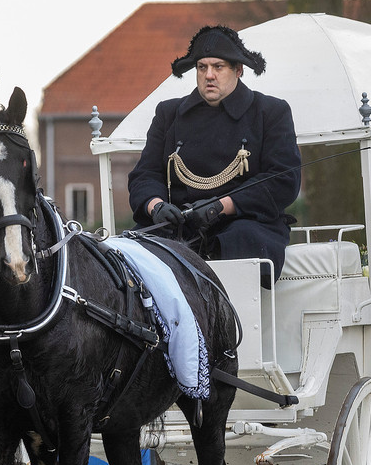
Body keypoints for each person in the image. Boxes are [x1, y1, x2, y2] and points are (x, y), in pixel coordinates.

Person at [128, 24, 303, 287]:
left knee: (240, 240)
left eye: (218, 67)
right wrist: (157, 207)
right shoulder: (169, 114)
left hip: (243, 224)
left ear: (238, 70)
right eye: (202, 67)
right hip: (177, 225)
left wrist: (221, 206)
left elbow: (283, 181)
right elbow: (145, 175)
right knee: (129, 253)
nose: (209, 75)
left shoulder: (270, 112)